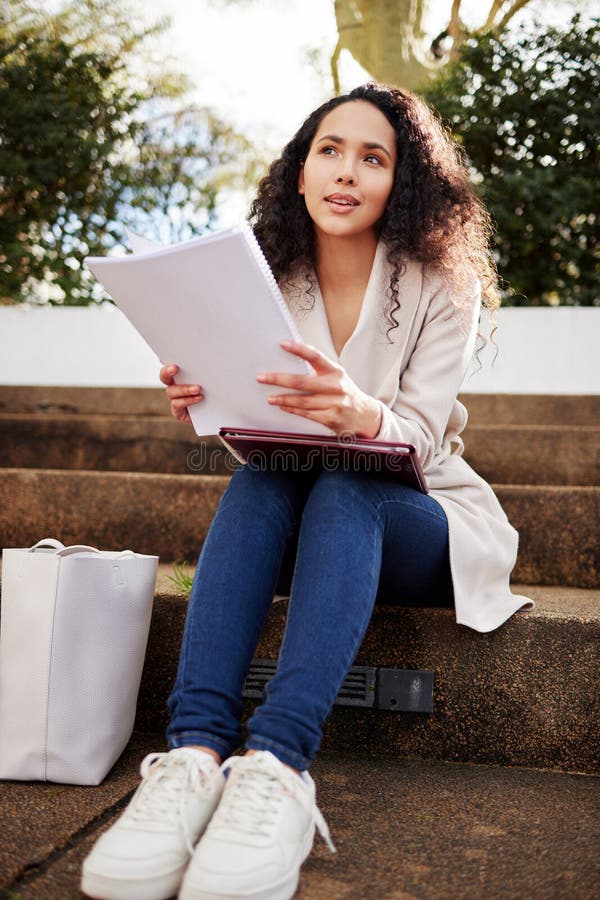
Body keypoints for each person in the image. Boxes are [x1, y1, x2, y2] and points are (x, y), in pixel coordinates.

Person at [81, 82, 533, 900]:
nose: (346, 171)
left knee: (348, 487)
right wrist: (208, 398)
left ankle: (280, 767)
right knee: (265, 481)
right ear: (299, 170)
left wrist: (365, 414)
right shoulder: (267, 275)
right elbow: (263, 426)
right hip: (298, 515)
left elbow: (422, 440)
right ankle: (192, 758)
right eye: (329, 150)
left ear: (403, 183)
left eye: (373, 157)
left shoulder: (439, 282)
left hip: (417, 518)